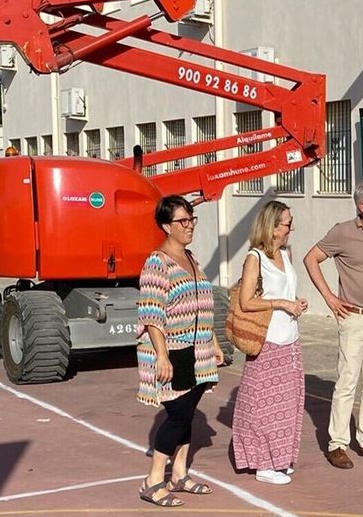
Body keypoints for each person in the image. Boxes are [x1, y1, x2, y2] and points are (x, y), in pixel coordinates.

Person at [303, 181, 363, 469]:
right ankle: (337, 444)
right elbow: (311, 259)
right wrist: (330, 298)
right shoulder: (342, 232)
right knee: (347, 383)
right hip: (353, 318)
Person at [136, 195, 225, 508]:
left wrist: (214, 342)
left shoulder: (190, 257)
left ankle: (179, 474)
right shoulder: (157, 263)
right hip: (173, 349)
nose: (189, 226)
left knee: (188, 412)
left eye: (191, 219)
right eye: (182, 221)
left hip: (199, 349)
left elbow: (201, 304)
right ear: (166, 226)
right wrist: (162, 356)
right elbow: (152, 313)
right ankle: (153, 480)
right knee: (178, 414)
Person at [230, 200, 309, 485]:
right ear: (273, 228)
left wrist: (295, 302)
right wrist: (282, 303)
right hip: (267, 341)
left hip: (290, 339)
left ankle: (278, 458)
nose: (291, 228)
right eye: (288, 223)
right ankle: (262, 464)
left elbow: (286, 289)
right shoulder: (255, 258)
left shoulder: (286, 253)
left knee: (287, 404)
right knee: (263, 406)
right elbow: (246, 301)